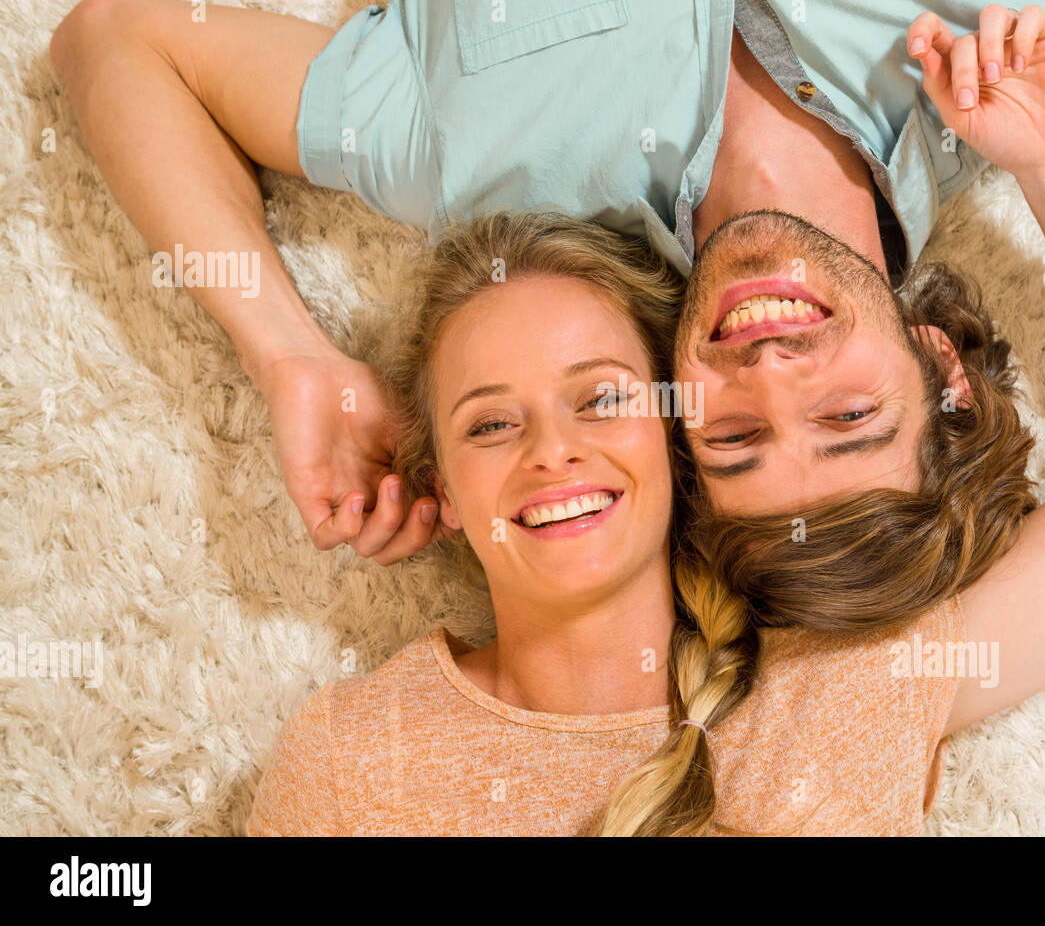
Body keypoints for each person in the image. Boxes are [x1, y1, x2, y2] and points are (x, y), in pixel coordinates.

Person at [48, 0, 1045, 563]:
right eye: (848, 415)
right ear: (937, 364)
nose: (773, 373)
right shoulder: (1034, 16)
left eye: (732, 436)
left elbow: (114, 44)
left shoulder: (480, 164)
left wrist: (291, 357)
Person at [245, 211, 967, 836]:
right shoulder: (354, 757)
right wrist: (290, 361)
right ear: (446, 493)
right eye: (491, 424)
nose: (552, 451)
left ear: (673, 435)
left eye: (601, 400)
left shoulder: (845, 676)